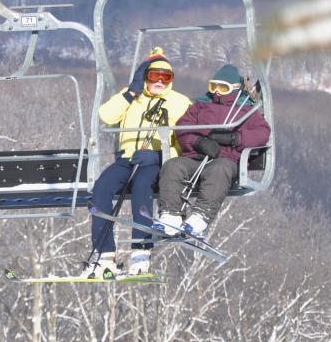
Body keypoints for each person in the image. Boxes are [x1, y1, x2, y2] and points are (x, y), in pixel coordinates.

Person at [86, 48, 192, 278]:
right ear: (145, 76)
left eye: (167, 77)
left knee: (142, 188)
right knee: (102, 189)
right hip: (126, 159)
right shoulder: (132, 97)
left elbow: (187, 142)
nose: (161, 82)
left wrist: (160, 155)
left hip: (155, 161)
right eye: (155, 76)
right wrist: (131, 92)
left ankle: (141, 252)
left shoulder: (180, 102)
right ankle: (104, 255)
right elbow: (106, 116)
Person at [156, 64, 270, 238]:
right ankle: (171, 214)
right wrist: (197, 141)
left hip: (227, 159)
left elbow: (262, 133)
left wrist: (235, 139)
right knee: (173, 166)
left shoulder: (246, 109)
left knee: (220, 169)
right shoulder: (201, 105)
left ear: (234, 89)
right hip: (197, 157)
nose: (216, 91)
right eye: (213, 86)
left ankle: (201, 215)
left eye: (222, 88)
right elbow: (182, 126)